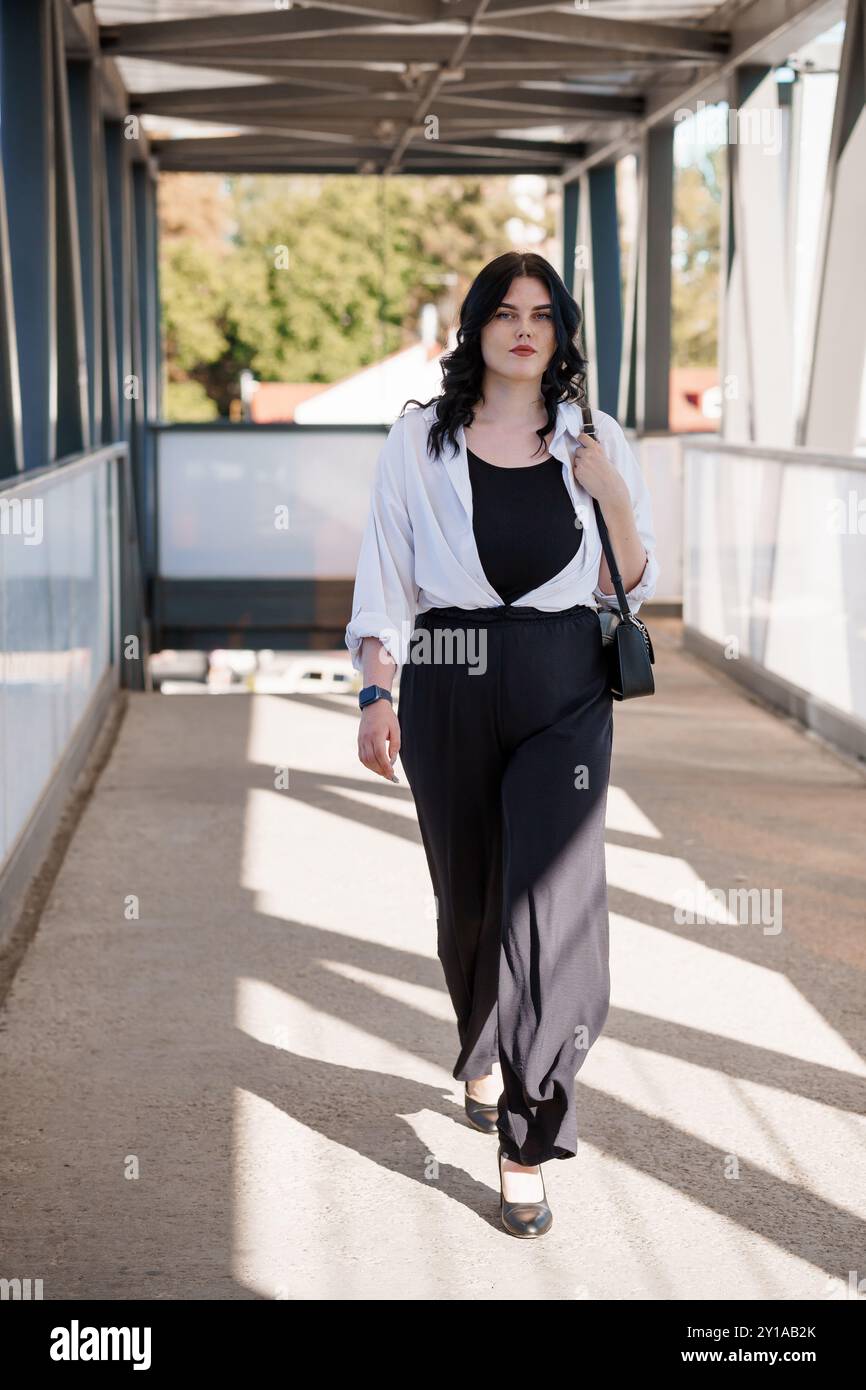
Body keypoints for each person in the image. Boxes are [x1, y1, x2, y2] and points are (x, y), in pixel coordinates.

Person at [345, 250, 659, 1238]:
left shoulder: (596, 436)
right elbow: (384, 571)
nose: (523, 327)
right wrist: (373, 691)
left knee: (555, 903)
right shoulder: (415, 439)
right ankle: (480, 1044)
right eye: (503, 312)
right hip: (445, 671)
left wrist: (605, 491)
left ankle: (527, 1136)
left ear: (560, 334)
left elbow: (631, 583)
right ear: (476, 328)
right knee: (469, 897)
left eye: (542, 314)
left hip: (563, 679)